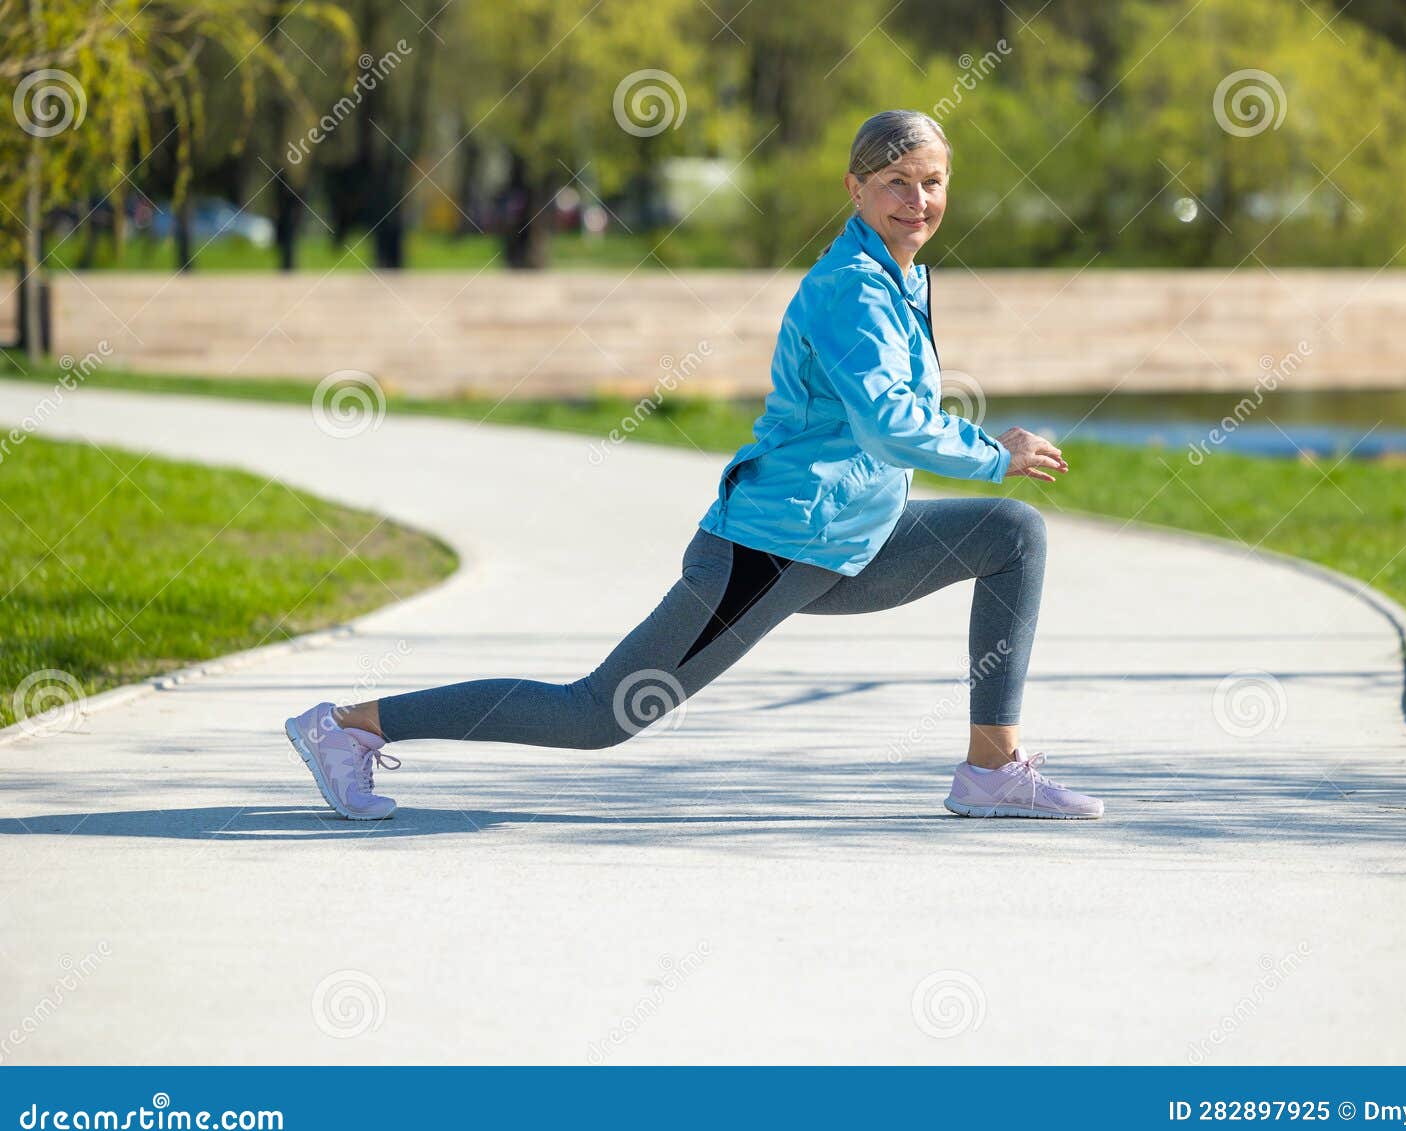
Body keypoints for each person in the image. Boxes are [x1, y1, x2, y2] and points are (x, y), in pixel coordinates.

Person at [284, 109, 1103, 823]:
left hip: (850, 544)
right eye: (895, 181)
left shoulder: (904, 277)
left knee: (1011, 534)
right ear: (854, 190)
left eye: (931, 182)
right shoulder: (852, 287)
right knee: (597, 715)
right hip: (768, 553)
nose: (916, 201)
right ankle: (349, 726)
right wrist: (994, 452)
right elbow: (890, 425)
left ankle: (992, 771)